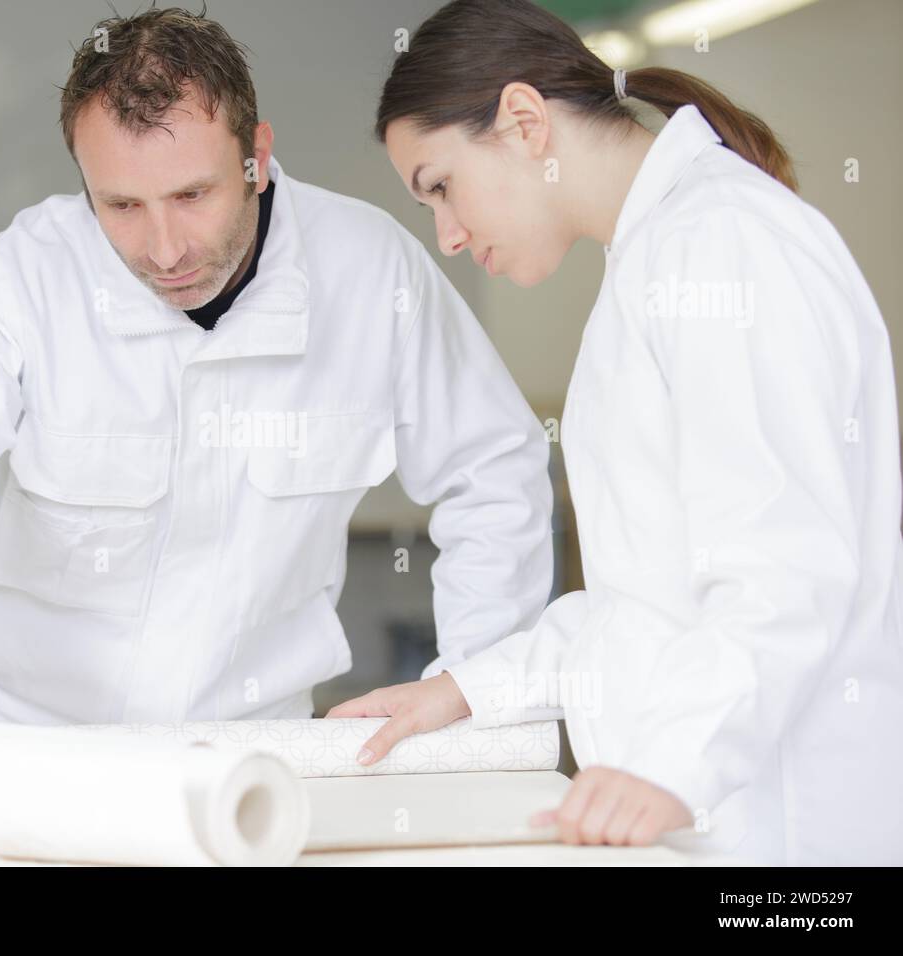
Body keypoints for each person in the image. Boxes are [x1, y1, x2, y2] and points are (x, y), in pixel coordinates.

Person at [0, 8, 554, 730]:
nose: (164, 249)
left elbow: (492, 469)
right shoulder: (17, 279)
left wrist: (473, 685)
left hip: (255, 756)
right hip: (32, 745)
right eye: (120, 204)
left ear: (258, 154)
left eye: (193, 196)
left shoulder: (372, 270)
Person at [330, 0, 903, 865]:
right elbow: (639, 616)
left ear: (524, 122)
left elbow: (787, 573)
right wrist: (458, 691)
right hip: (706, 831)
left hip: (784, 852)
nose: (445, 236)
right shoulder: (654, 262)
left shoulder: (724, 246)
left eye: (440, 185)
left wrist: (671, 765)